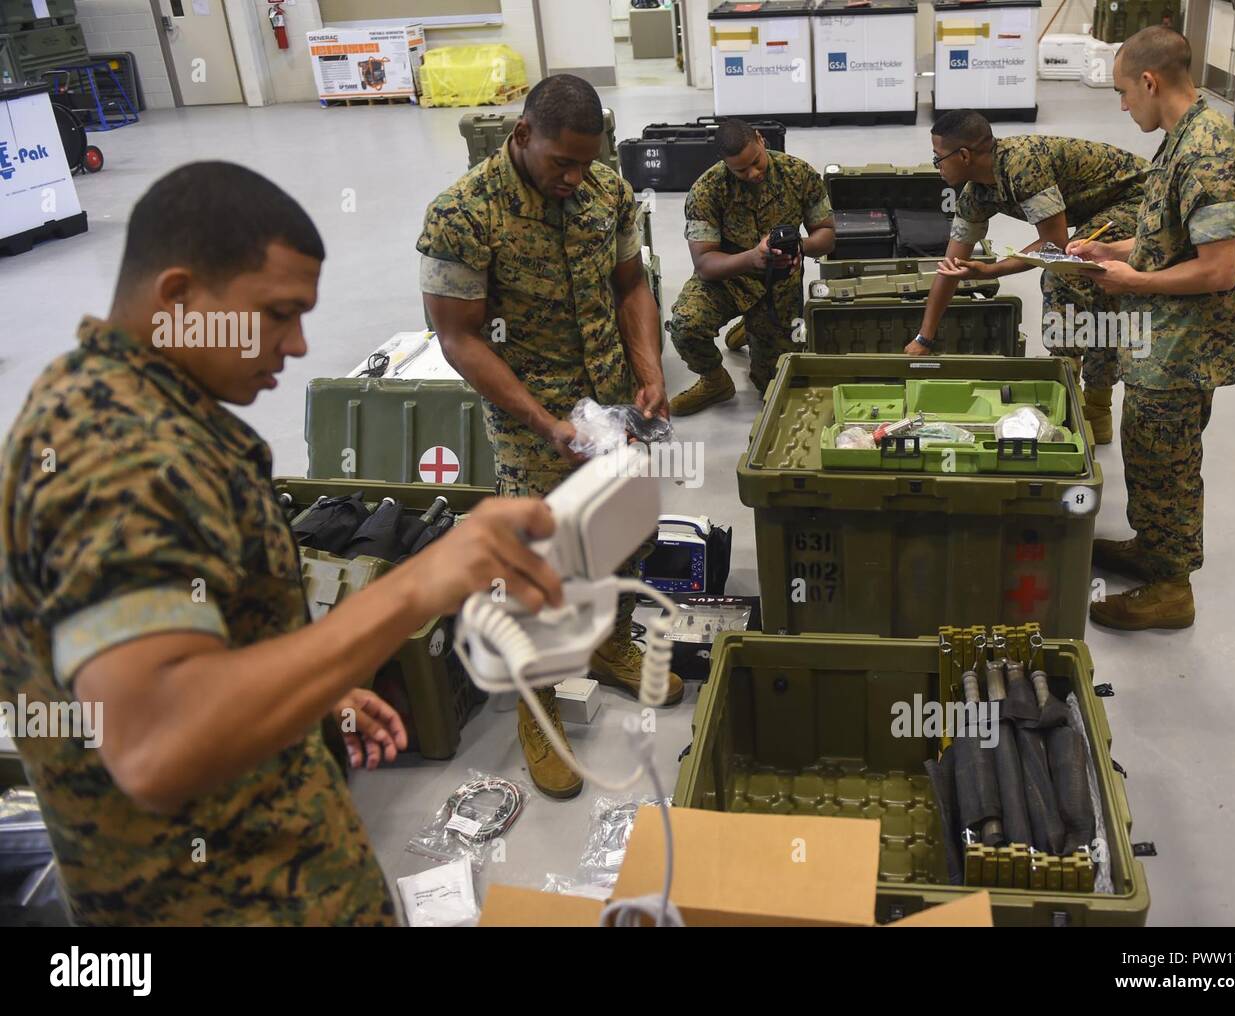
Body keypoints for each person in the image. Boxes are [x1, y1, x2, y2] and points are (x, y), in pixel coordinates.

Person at [0, 162, 564, 926]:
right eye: (277, 314)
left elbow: (180, 639)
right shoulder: (118, 455)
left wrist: (309, 686)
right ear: (179, 299)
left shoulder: (134, 404)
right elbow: (158, 744)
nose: (298, 345)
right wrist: (414, 587)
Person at [417, 74, 682, 799]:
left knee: (623, 533)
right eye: (561, 163)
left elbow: (632, 285)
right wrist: (542, 421)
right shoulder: (462, 215)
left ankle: (606, 645)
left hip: (612, 409)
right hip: (531, 422)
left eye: (585, 162)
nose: (574, 178)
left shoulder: (608, 192)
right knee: (538, 565)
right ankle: (538, 707)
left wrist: (648, 370)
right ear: (522, 133)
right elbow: (458, 338)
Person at [1068, 27, 1235, 630]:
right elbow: (1169, 237)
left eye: (1124, 93)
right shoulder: (1181, 139)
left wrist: (1135, 283)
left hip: (1185, 346)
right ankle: (1153, 548)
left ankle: (1172, 587)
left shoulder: (1207, 153)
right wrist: (1111, 252)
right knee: (1146, 451)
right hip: (1160, 340)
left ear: (1150, 82)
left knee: (1168, 460)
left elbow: (1220, 269)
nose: (1123, 106)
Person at [908, 111, 1151, 444]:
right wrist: (924, 339)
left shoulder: (1022, 166)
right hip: (1090, 209)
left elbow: (1054, 243)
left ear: (963, 156)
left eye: (938, 159)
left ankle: (1096, 404)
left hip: (1136, 198)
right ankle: (1068, 381)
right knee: (1062, 274)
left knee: (1069, 275)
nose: (937, 166)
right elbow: (950, 267)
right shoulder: (976, 193)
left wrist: (992, 269)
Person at [667, 119, 835, 416]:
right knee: (685, 325)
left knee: (773, 386)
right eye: (741, 171)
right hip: (728, 278)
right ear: (725, 163)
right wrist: (752, 258)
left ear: (760, 140)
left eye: (756, 162)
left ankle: (753, 325)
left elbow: (826, 235)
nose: (753, 173)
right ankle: (715, 381)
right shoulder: (706, 191)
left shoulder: (798, 174)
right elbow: (705, 264)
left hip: (779, 284)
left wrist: (799, 247)